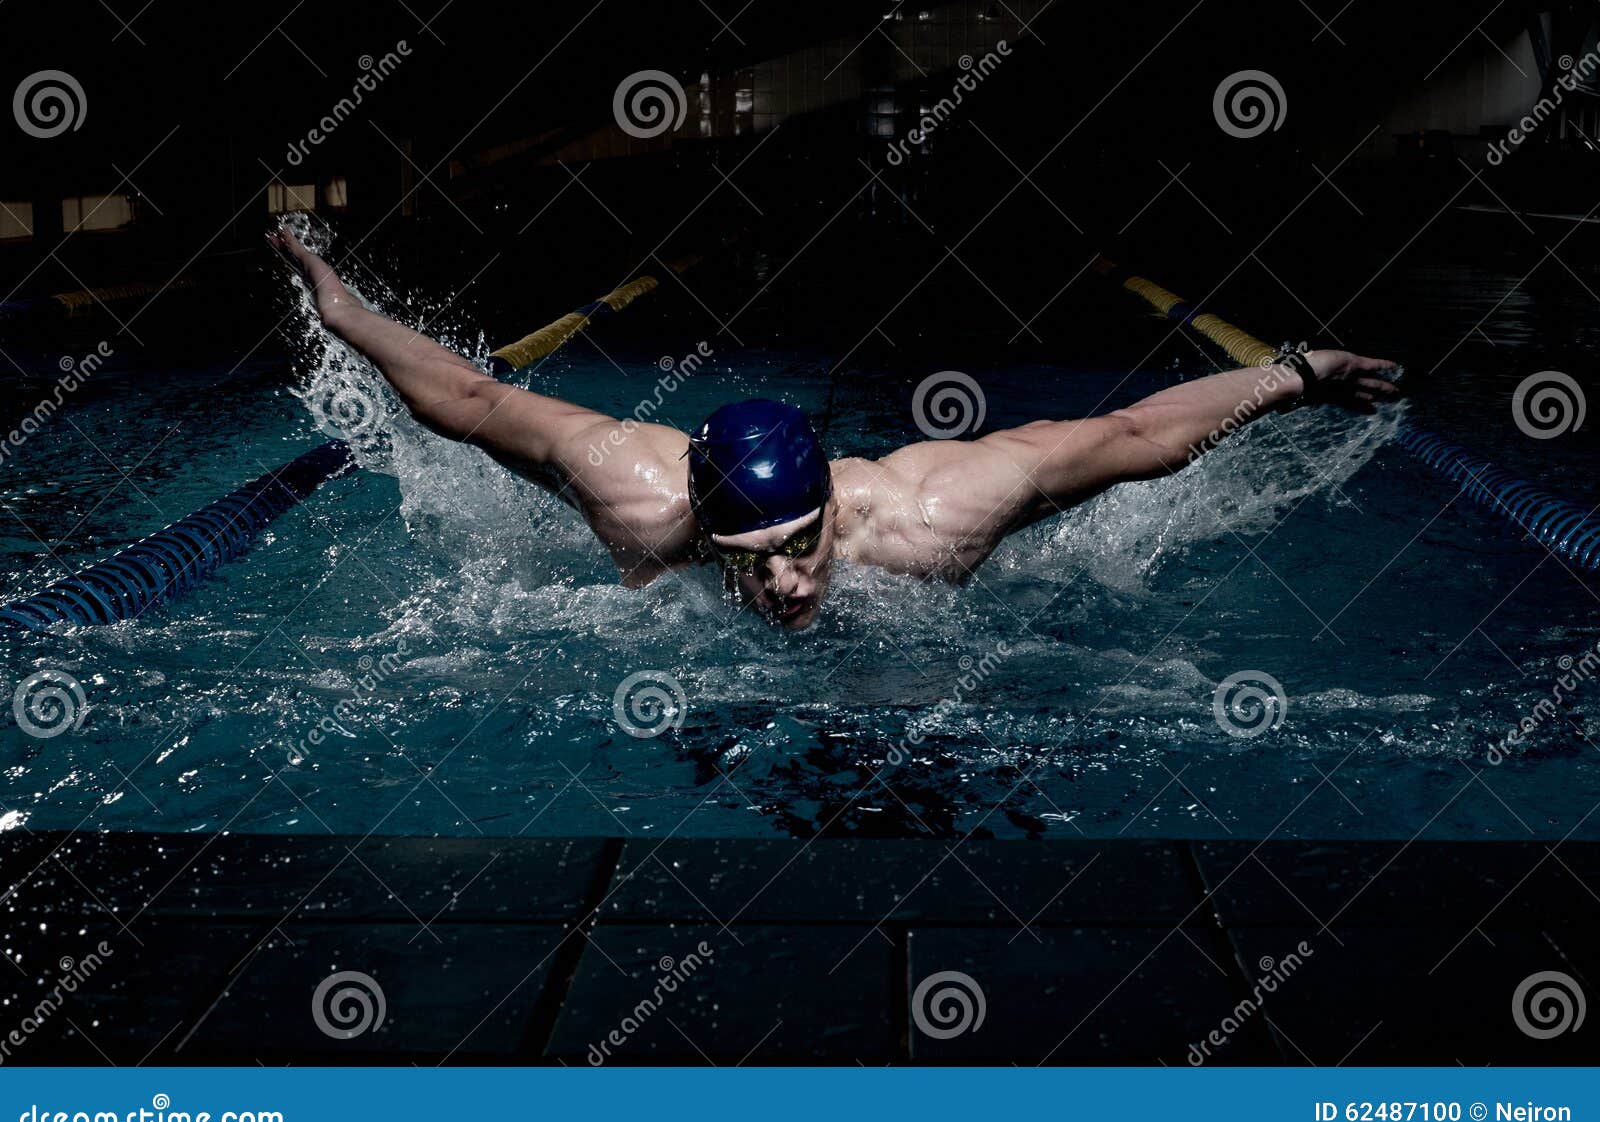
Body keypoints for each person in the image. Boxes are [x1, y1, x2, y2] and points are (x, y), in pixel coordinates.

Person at [271, 226, 1401, 630]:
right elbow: (476, 403)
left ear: (832, 512)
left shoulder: (935, 513)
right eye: (749, 565)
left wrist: (1297, 373)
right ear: (704, 530)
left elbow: (1135, 431)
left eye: (799, 549)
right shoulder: (637, 497)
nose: (785, 591)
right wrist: (347, 311)